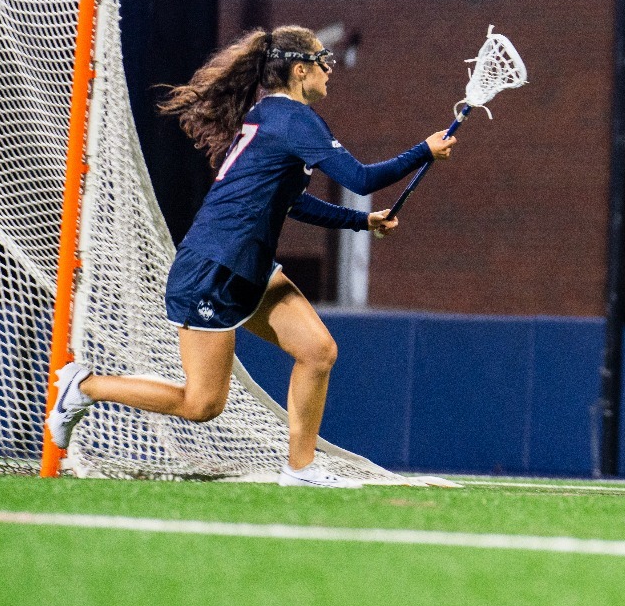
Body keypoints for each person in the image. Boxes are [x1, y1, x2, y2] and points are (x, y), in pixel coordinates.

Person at [44, 26, 455, 487]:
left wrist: (361, 223)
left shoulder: (275, 116)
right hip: (214, 269)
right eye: (324, 62)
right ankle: (83, 386)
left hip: (251, 269)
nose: (329, 72)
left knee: (317, 351)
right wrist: (424, 151)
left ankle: (300, 469)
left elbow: (293, 201)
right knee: (203, 405)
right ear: (300, 70)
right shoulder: (293, 119)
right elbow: (359, 178)